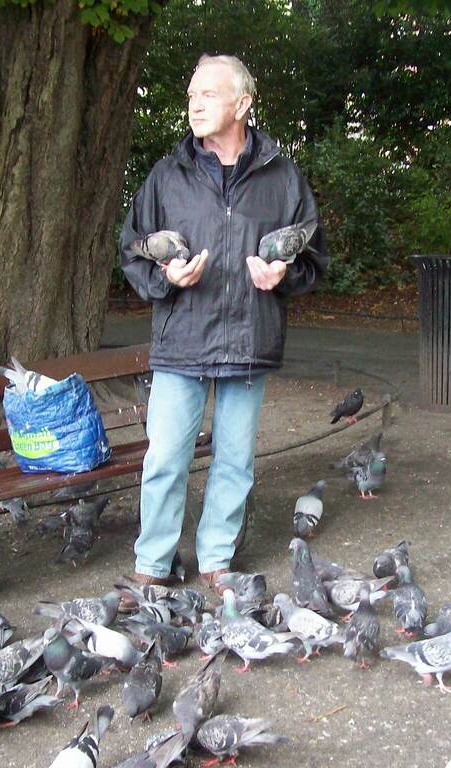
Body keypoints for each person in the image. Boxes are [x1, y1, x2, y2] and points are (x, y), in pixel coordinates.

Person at [119, 54, 329, 598]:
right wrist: (166, 277)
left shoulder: (283, 177)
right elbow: (131, 251)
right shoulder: (167, 176)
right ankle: (153, 563)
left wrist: (282, 275)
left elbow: (313, 258)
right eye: (191, 95)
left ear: (243, 103)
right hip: (182, 339)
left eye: (208, 94)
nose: (195, 104)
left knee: (235, 461)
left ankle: (216, 559)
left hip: (249, 338)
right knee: (165, 458)